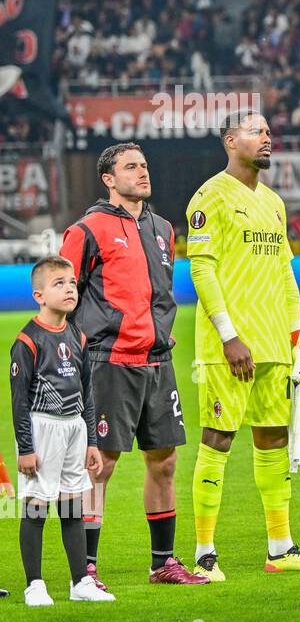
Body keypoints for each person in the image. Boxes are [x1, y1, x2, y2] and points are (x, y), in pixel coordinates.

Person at [185, 111, 300, 578]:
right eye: (255, 131)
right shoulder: (209, 197)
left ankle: (280, 548)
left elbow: (286, 275)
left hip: (274, 346)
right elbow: (201, 269)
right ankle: (205, 553)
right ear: (230, 141)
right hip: (230, 347)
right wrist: (229, 336)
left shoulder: (271, 201)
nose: (267, 138)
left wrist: (299, 336)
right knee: (218, 439)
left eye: (269, 131)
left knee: (274, 439)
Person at [60, 144, 205, 585]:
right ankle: (85, 570)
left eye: (144, 166)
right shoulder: (85, 230)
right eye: (130, 167)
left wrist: (161, 329)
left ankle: (163, 563)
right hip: (108, 362)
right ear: (108, 178)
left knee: (163, 462)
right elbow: (66, 297)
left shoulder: (163, 229)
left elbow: (160, 293)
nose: (142, 173)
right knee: (99, 464)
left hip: (158, 363)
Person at [11, 256, 115, 606]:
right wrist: (26, 448)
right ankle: (35, 585)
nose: (70, 288)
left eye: (72, 282)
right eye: (59, 283)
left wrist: (92, 440)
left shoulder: (77, 335)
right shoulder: (27, 341)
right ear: (39, 295)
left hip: (74, 428)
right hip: (43, 427)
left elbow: (87, 392)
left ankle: (80, 582)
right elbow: (19, 402)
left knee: (72, 503)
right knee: (37, 505)